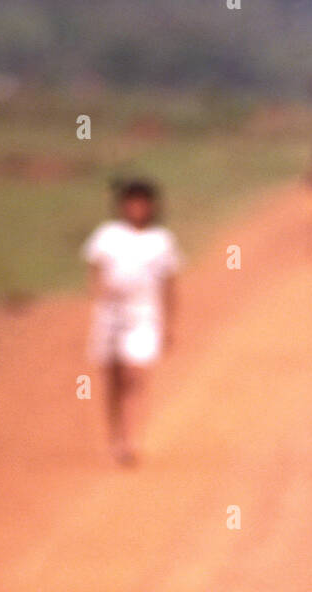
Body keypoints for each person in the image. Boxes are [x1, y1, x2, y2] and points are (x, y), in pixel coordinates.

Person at [82, 179, 181, 466]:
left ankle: (130, 438)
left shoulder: (161, 240)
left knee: (133, 375)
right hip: (110, 314)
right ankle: (115, 436)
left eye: (142, 202)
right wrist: (100, 299)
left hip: (144, 314)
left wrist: (168, 324)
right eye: (131, 201)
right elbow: (95, 271)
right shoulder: (108, 235)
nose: (136, 208)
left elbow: (169, 284)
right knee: (112, 379)